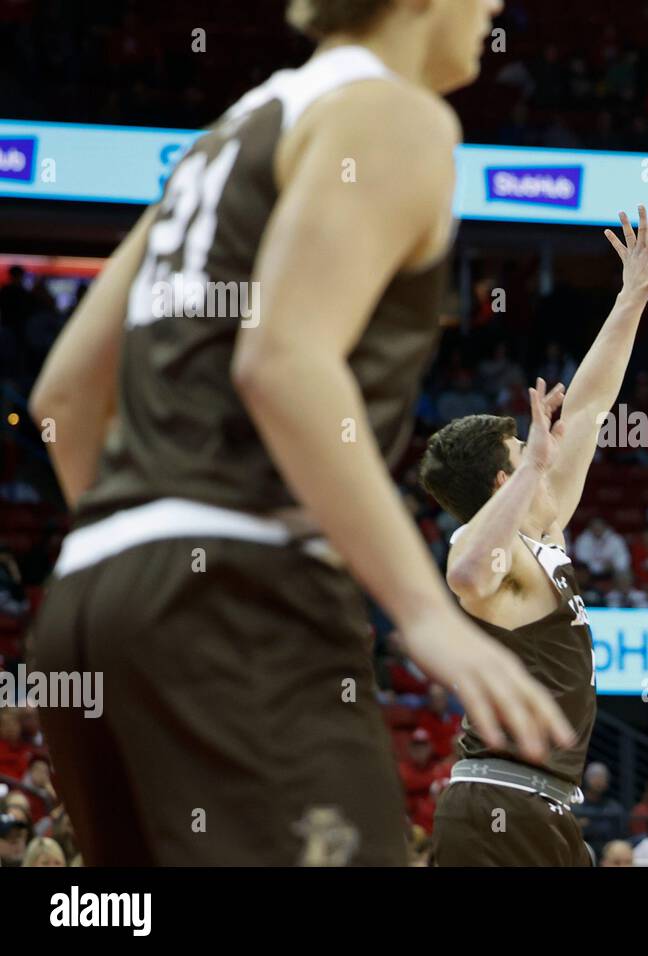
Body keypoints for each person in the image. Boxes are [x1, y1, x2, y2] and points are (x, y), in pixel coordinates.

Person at [27, 0, 572, 866]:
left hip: (90, 602)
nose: (499, 6)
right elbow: (280, 359)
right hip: (237, 599)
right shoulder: (395, 114)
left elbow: (64, 393)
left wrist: (138, 549)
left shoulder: (226, 135)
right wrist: (425, 613)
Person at [419, 207, 648, 866]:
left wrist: (630, 297)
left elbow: (589, 407)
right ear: (506, 473)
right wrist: (533, 466)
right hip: (497, 805)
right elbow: (468, 576)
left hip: (538, 806)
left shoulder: (541, 526)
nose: (545, 446)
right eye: (523, 444)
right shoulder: (482, 550)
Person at [572, 762, 625, 854]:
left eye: (602, 777)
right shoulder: (575, 803)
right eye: (595, 776)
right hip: (580, 850)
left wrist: (588, 825)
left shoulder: (613, 807)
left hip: (607, 851)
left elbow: (616, 832)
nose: (599, 780)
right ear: (586, 778)